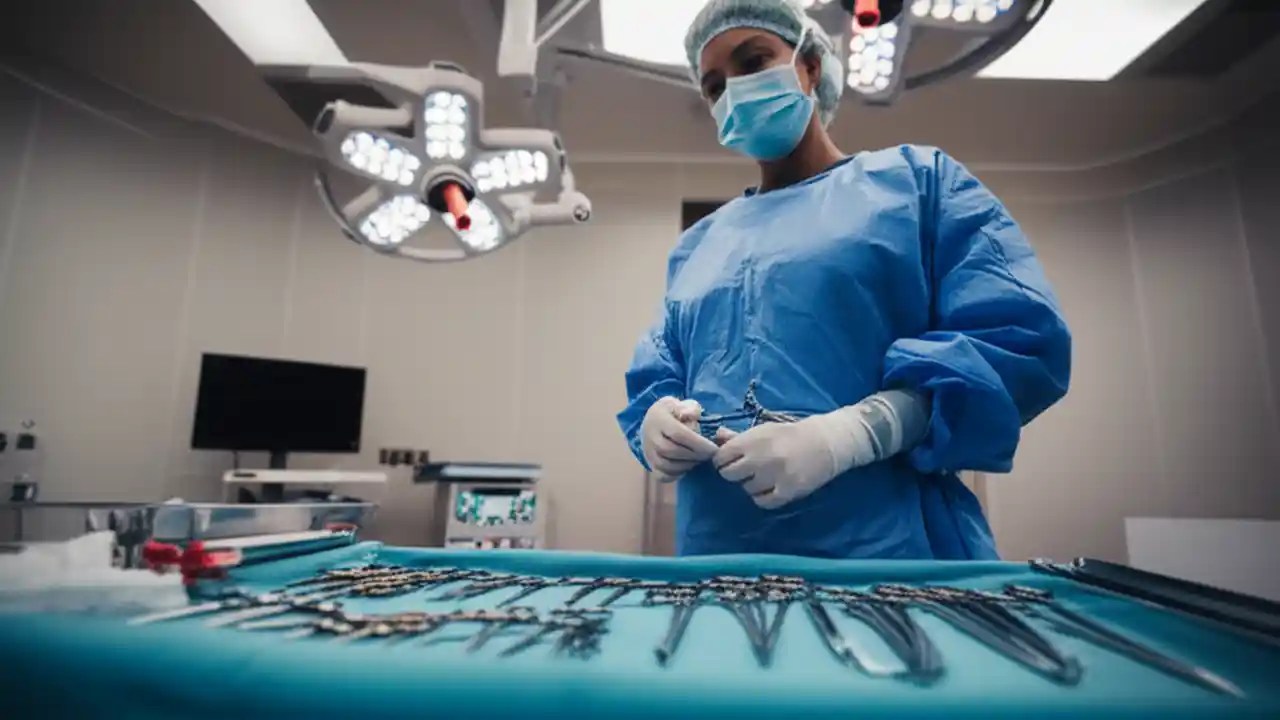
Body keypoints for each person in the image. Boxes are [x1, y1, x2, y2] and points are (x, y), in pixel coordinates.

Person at [616, 0, 1072, 559]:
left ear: (809, 66)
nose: (733, 91)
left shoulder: (916, 186)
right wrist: (657, 422)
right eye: (714, 86)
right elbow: (661, 371)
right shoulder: (697, 247)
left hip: (886, 561)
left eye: (754, 61)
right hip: (717, 559)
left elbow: (1016, 343)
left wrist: (854, 435)